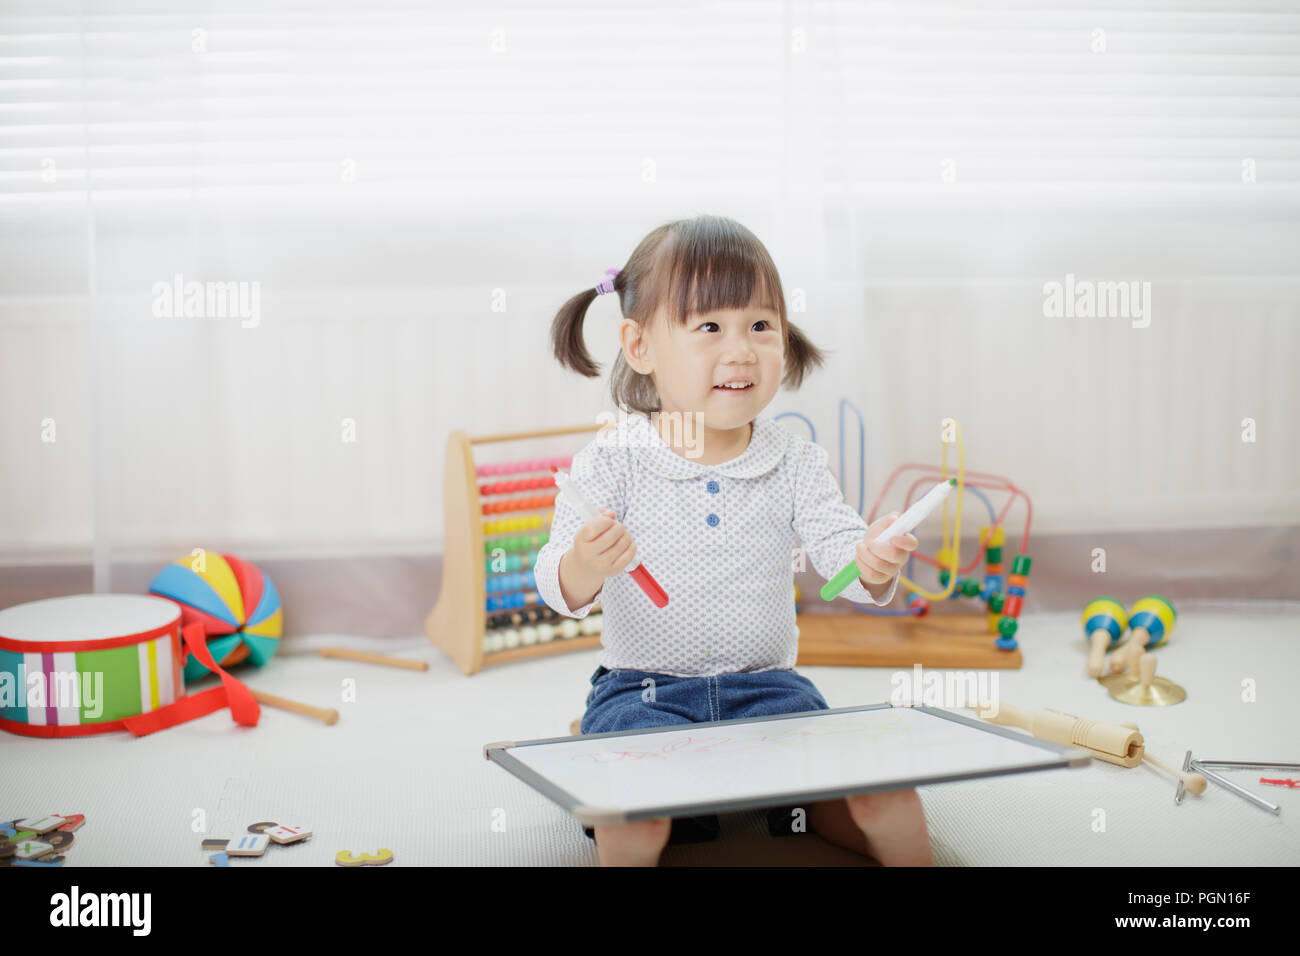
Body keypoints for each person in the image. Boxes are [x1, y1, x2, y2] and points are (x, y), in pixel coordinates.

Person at [533, 214, 933, 867]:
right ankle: (652, 793)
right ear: (640, 348)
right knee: (633, 807)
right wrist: (582, 562)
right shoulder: (613, 462)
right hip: (645, 694)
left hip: (770, 692)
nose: (741, 349)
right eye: (710, 327)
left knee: (873, 792)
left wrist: (874, 558)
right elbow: (556, 584)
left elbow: (846, 560)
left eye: (761, 325)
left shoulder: (796, 461)